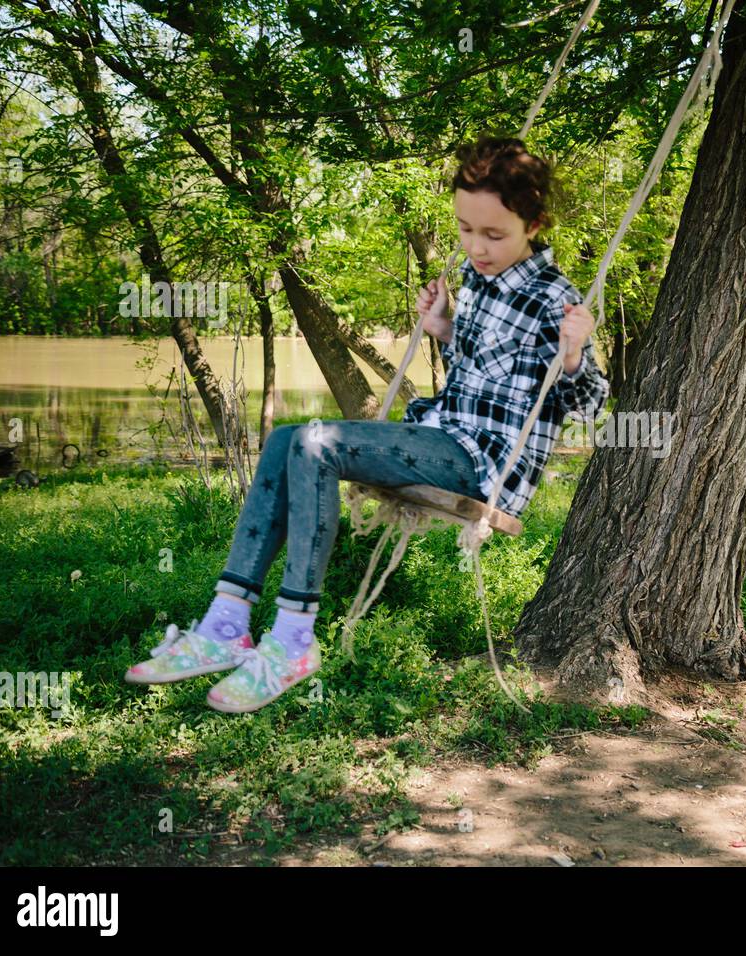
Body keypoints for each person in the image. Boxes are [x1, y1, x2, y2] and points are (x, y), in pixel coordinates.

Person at [124, 135, 610, 713]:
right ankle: (226, 623)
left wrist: (575, 354)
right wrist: (445, 330)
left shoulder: (553, 297)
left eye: (493, 234)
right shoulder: (478, 282)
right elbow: (480, 378)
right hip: (445, 432)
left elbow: (587, 405)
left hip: (482, 464)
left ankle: (293, 642)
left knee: (315, 445)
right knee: (285, 439)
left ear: (535, 223)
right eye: (464, 229)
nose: (475, 246)